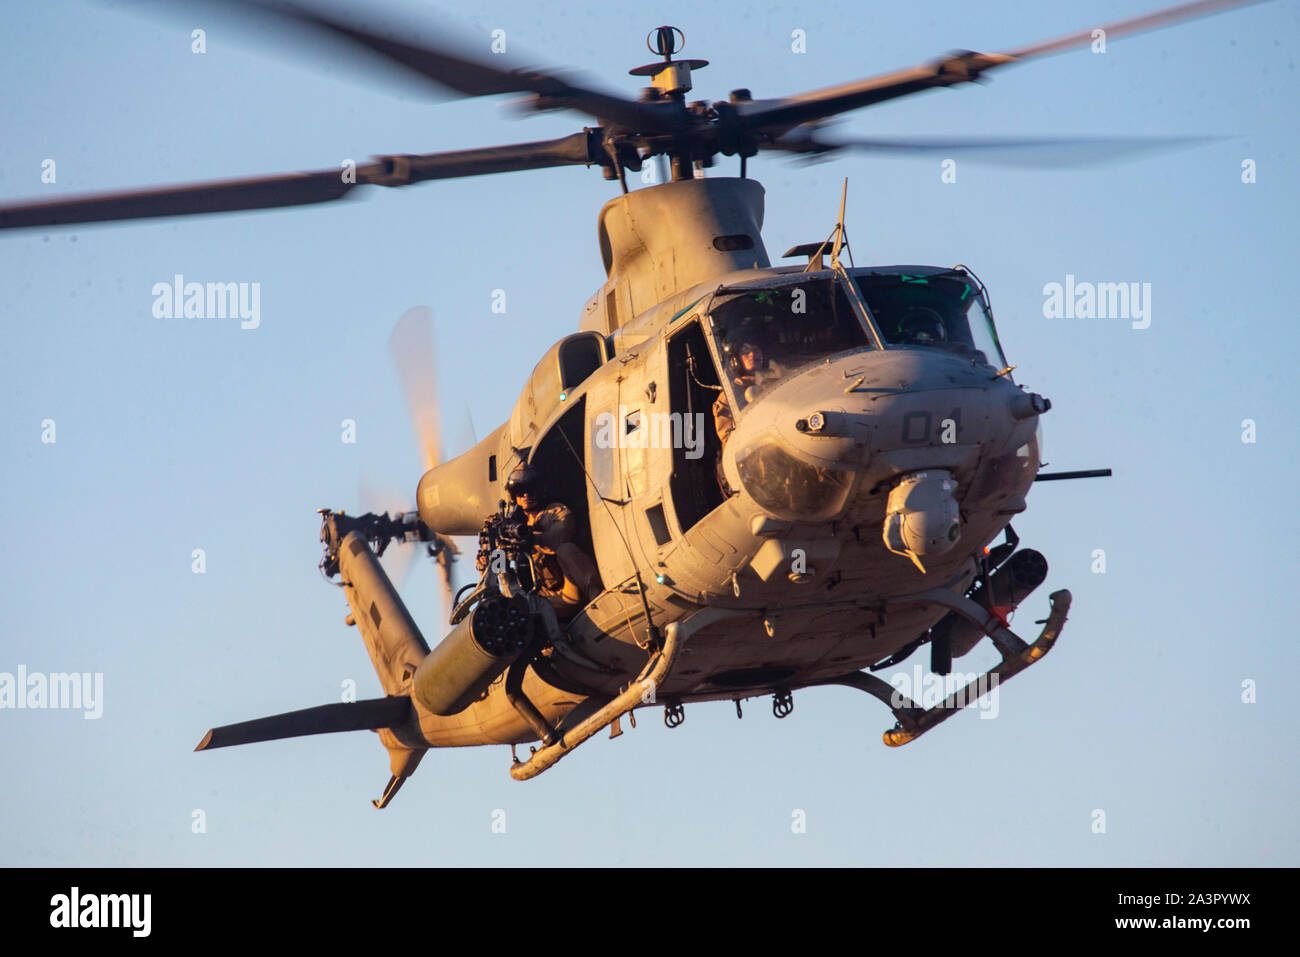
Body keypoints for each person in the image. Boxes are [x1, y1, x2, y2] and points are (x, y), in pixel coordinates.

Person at [476, 465, 600, 619]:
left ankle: (597, 596)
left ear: (539, 490)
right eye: (520, 491)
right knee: (509, 593)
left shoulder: (555, 512)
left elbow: (560, 538)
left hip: (570, 590)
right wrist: (489, 558)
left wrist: (530, 538)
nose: (526, 495)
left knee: (566, 549)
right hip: (542, 598)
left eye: (530, 489)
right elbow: (498, 573)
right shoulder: (509, 529)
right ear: (514, 496)